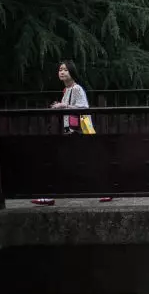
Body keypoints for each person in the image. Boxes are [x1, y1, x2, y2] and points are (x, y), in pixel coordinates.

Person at [33, 61, 111, 206]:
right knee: (74, 162)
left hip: (79, 131)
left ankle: (49, 196)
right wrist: (61, 106)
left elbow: (83, 108)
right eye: (60, 70)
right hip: (73, 131)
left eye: (65, 70)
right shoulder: (67, 90)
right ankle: (106, 191)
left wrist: (64, 106)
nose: (61, 72)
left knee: (66, 161)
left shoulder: (76, 89)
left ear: (72, 73)